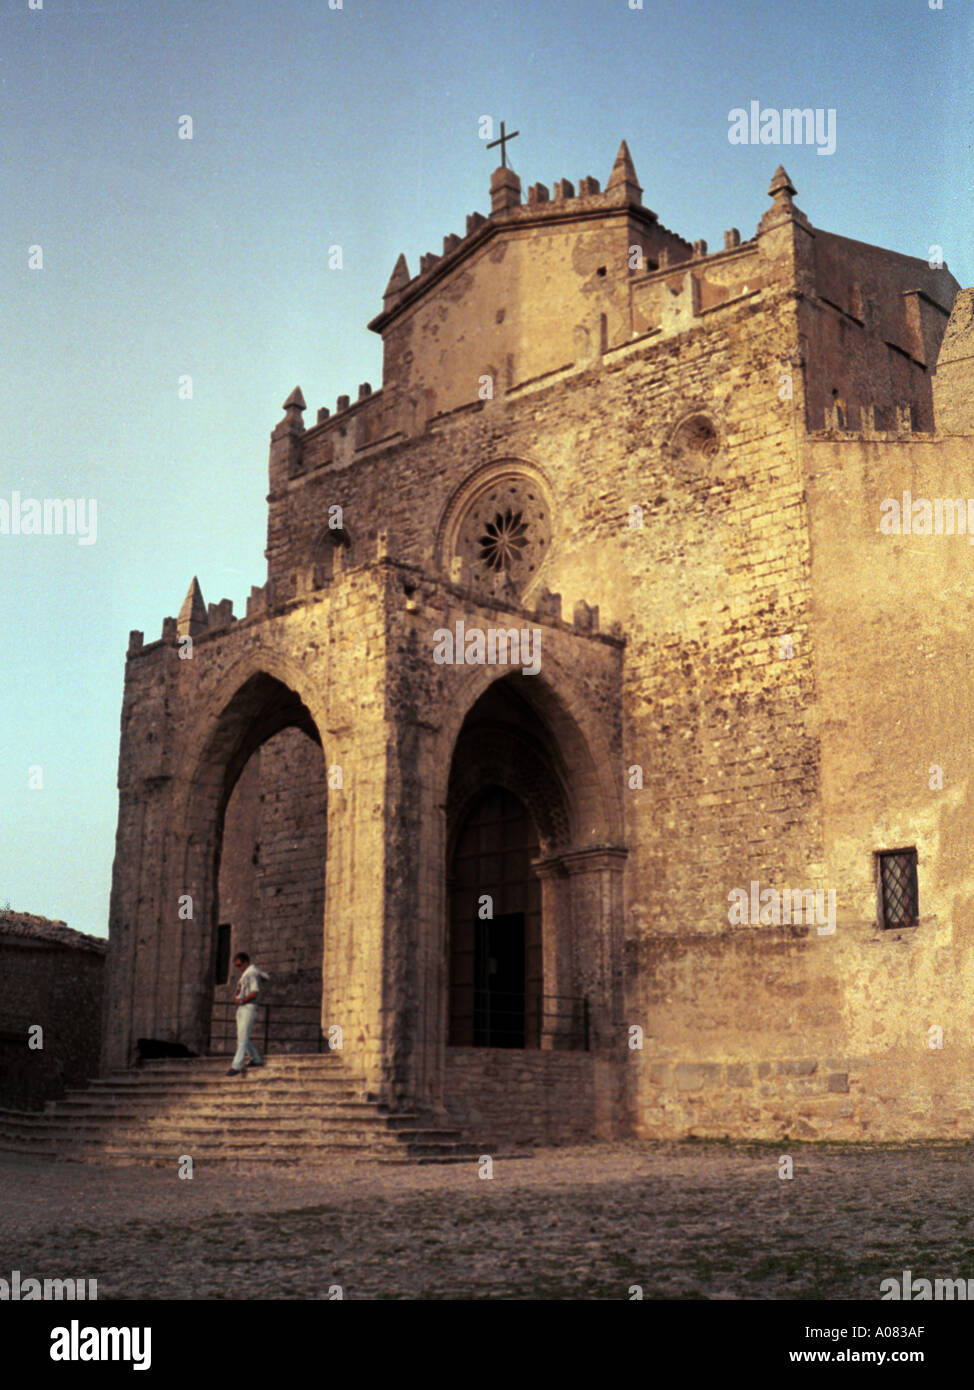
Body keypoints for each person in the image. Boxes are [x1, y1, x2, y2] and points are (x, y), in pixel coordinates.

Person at [227, 951, 268, 1076]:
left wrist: (242, 999)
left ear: (246, 963)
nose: (238, 968)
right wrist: (237, 995)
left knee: (242, 1038)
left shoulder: (251, 973)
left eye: (239, 965)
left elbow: (255, 992)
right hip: (242, 1007)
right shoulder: (246, 974)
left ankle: (237, 1065)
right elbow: (240, 989)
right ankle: (256, 1059)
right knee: (242, 1036)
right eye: (236, 966)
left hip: (248, 1007)